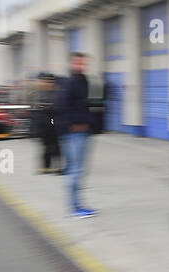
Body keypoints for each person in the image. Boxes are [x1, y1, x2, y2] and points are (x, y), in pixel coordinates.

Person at [58, 51, 96, 218]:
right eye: (77, 63)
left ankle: (78, 204)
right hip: (74, 133)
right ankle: (75, 208)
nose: (80, 66)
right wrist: (73, 126)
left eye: (83, 63)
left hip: (83, 131)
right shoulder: (69, 83)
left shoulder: (84, 81)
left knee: (79, 170)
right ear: (71, 64)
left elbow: (87, 105)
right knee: (76, 170)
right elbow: (61, 107)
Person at [32, 73, 62, 174]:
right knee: (46, 147)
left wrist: (49, 108)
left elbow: (57, 110)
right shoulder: (39, 94)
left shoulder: (57, 94)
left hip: (53, 123)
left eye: (50, 82)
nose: (48, 83)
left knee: (56, 147)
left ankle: (57, 168)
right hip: (43, 125)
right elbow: (37, 111)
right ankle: (45, 168)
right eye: (46, 81)